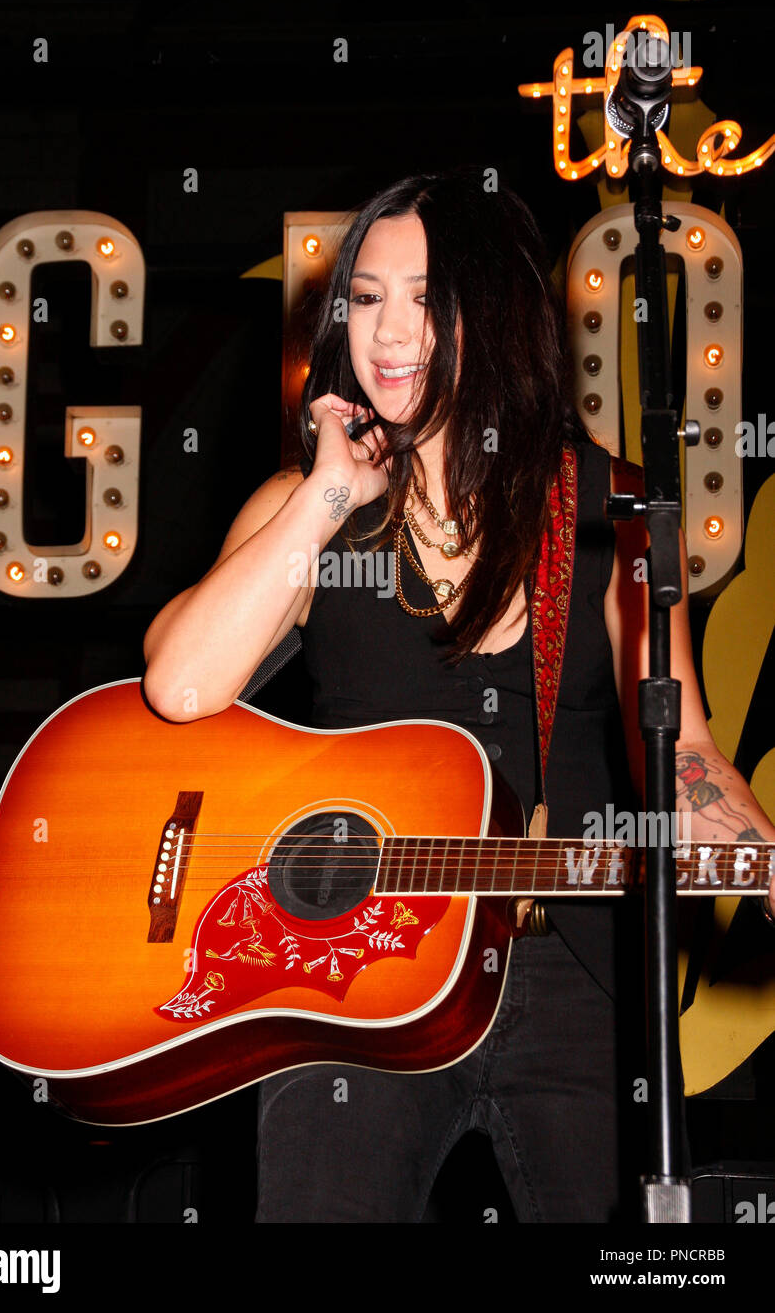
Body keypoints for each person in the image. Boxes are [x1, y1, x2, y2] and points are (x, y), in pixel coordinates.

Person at [143, 167, 775, 1223]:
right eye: (366, 298)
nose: (388, 332)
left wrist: (756, 848)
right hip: (350, 971)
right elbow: (179, 682)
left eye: (424, 297)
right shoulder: (304, 509)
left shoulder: (607, 510)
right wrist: (327, 494)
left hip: (565, 965)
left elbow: (684, 757)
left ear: (493, 310)